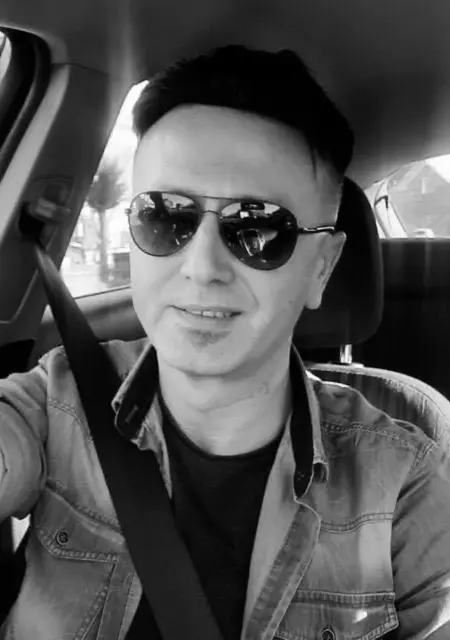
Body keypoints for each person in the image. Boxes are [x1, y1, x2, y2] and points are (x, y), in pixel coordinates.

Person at [1, 45, 450, 640]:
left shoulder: (405, 480)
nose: (202, 266)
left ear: (321, 267)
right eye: (166, 216)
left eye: (257, 227)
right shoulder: (58, 398)